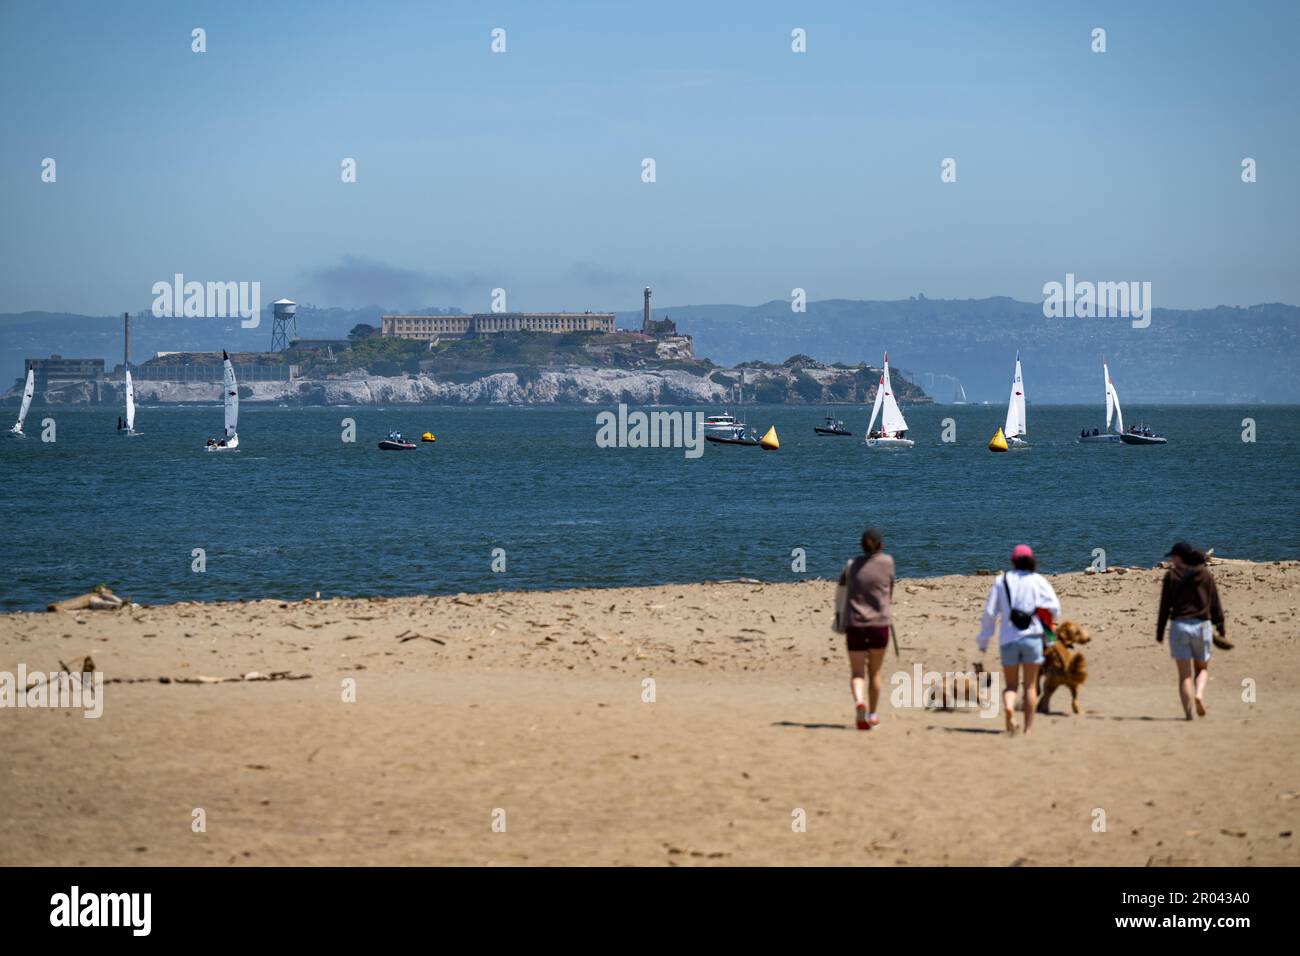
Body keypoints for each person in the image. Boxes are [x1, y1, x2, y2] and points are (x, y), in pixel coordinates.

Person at [976, 544, 1061, 736]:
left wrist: (983, 642)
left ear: (1013, 561)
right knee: (1030, 686)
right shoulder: (1038, 580)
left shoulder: (1001, 581)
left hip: (1008, 639)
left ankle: (1008, 707)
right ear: (1032, 560)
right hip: (1032, 638)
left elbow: (990, 614)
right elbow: (1055, 608)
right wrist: (1048, 623)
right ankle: (1028, 729)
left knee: (1011, 686)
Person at [1156, 541, 1228, 719]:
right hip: (1202, 626)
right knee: (1202, 669)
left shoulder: (1171, 576)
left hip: (1180, 626)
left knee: (1184, 676)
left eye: (1173, 557)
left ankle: (1188, 713)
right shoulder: (1205, 575)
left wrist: (1160, 632)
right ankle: (1199, 694)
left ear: (1179, 557)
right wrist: (1221, 627)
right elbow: (1215, 604)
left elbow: (1164, 607)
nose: (1172, 560)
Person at [838, 528, 895, 730]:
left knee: (857, 673)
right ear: (880, 545)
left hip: (855, 624)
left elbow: (842, 592)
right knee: (875, 672)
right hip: (879, 624)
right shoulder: (887, 562)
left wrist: (839, 620)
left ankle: (859, 702)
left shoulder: (852, 566)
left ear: (861, 545)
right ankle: (872, 714)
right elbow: (890, 590)